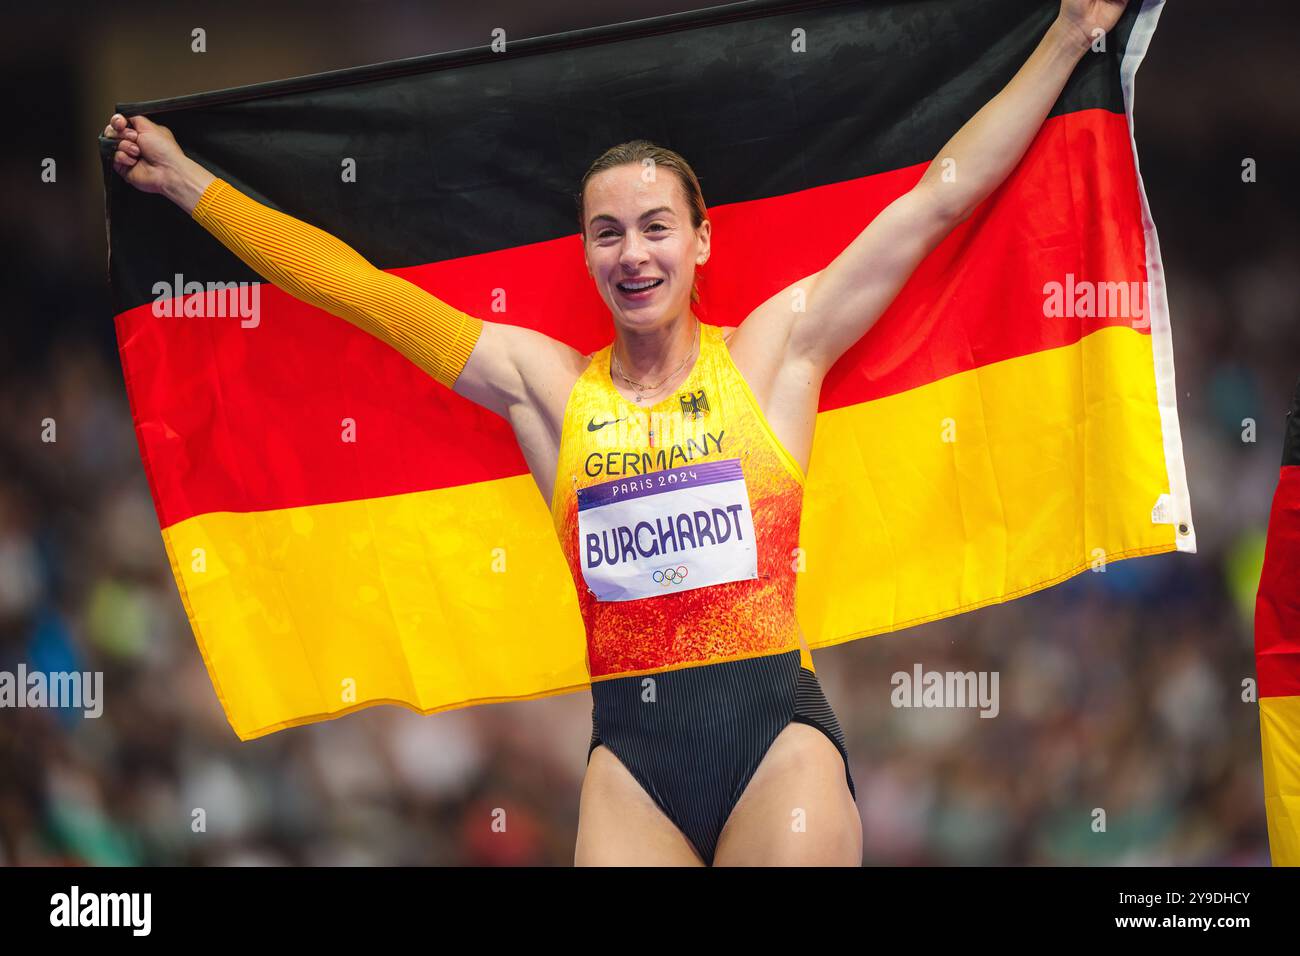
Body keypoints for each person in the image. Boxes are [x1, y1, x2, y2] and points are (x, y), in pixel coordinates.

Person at [104, 0, 1128, 866]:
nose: (632, 252)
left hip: (772, 733)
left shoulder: (778, 350)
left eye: (653, 227)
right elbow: (361, 295)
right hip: (630, 760)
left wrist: (1068, 34)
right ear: (585, 254)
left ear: (699, 240)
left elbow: (937, 198)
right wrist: (189, 183)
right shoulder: (542, 387)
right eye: (606, 232)